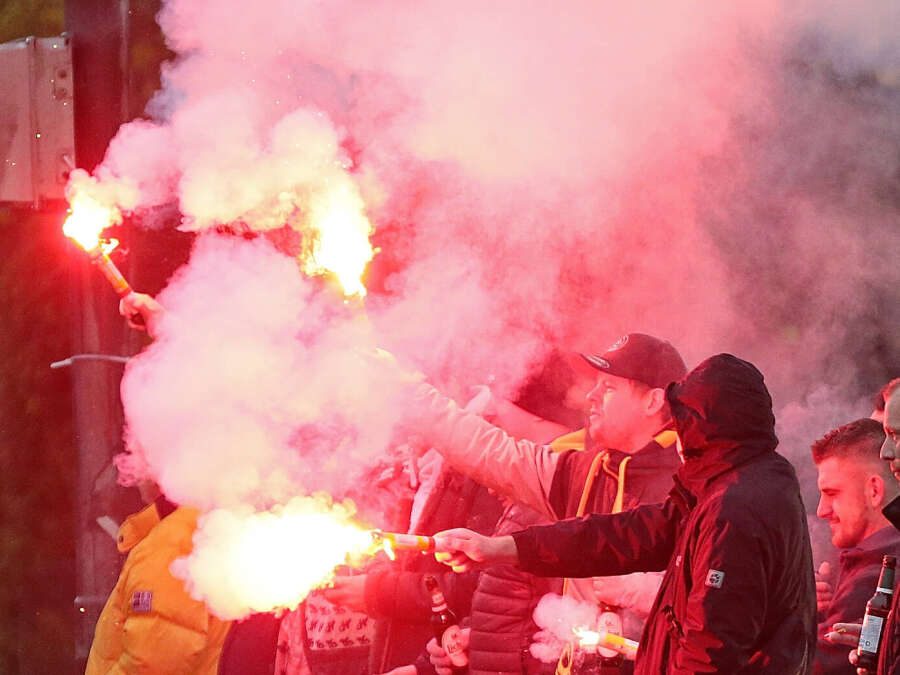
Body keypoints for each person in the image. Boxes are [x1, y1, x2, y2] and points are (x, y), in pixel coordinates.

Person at [432, 354, 817, 674]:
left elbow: (710, 650)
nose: (675, 435)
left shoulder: (736, 508)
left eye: (681, 422)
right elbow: (620, 536)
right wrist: (504, 548)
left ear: (705, 426)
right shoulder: (724, 491)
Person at [407, 332, 686, 669]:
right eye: (594, 385)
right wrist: (407, 392)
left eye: (609, 387)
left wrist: (645, 594)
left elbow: (725, 608)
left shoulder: (694, 484)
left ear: (653, 402)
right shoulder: (584, 470)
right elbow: (491, 453)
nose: (591, 396)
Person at [85, 480, 231, 673]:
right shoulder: (199, 528)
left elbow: (150, 666)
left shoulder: (171, 544)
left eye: (138, 452)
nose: (126, 475)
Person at [812, 419, 900, 674]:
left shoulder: (875, 577)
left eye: (832, 494)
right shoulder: (870, 564)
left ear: (874, 490)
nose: (821, 511)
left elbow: (812, 666)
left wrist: (790, 609)